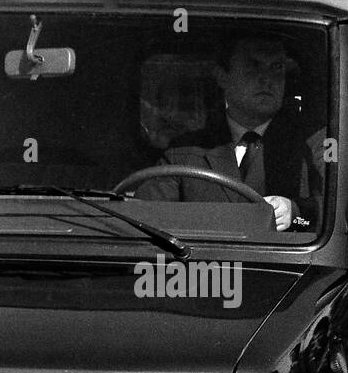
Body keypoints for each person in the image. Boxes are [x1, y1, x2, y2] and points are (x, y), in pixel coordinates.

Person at [137, 34, 323, 231]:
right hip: (203, 262)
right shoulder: (184, 152)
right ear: (222, 77)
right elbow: (144, 218)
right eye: (253, 66)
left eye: (276, 68)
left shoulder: (309, 148)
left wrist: (295, 213)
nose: (267, 79)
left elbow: (339, 216)